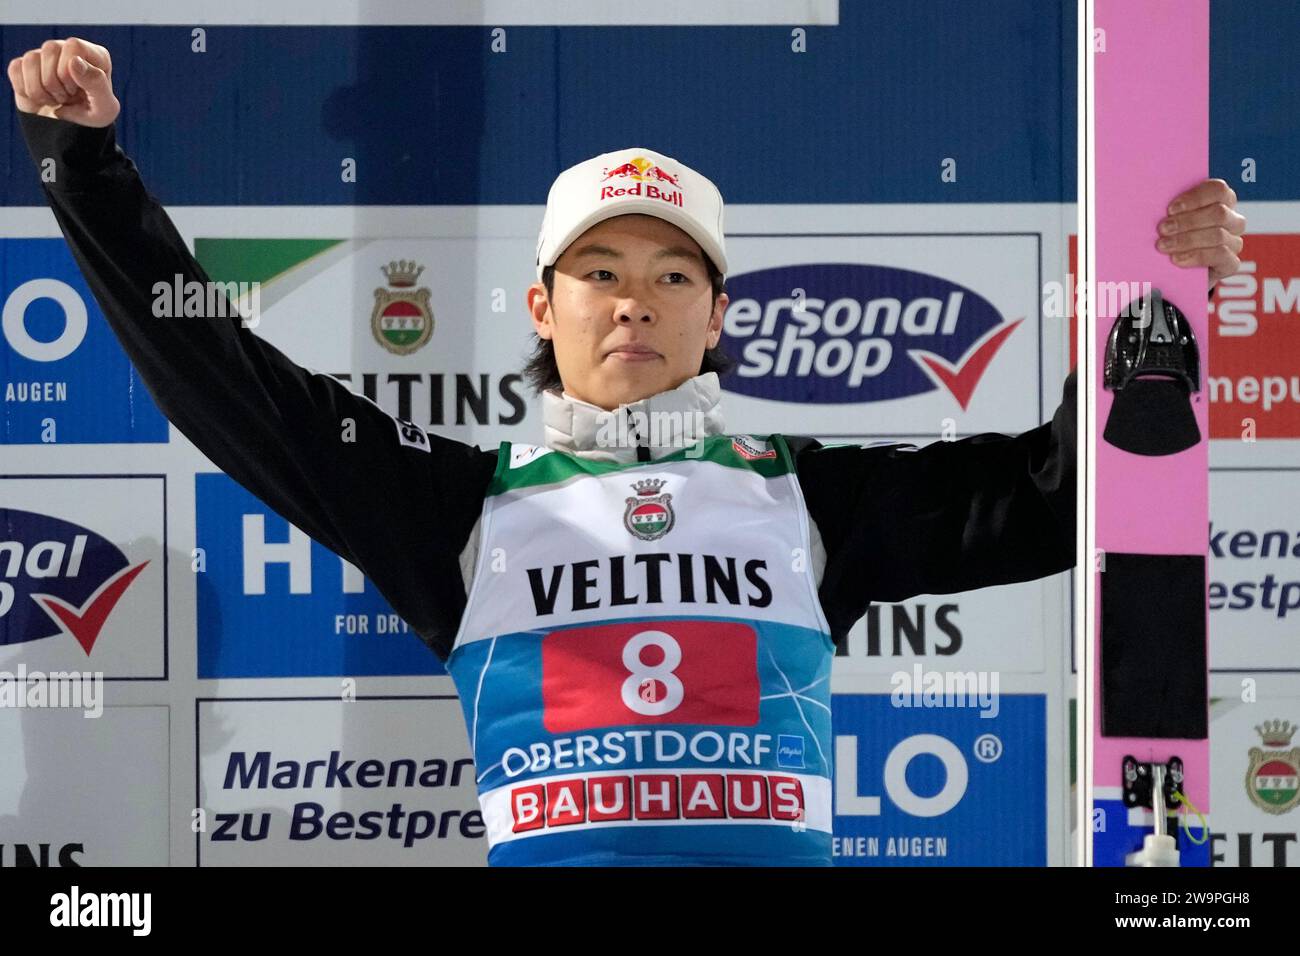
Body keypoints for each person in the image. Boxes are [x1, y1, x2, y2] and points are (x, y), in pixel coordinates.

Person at [8, 38, 1246, 867]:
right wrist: (85, 168)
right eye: (598, 273)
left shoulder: (804, 493)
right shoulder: (460, 504)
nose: (633, 303)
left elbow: (1058, 493)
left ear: (718, 314)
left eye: (669, 275)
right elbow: (226, 388)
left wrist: (1155, 296)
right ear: (543, 308)